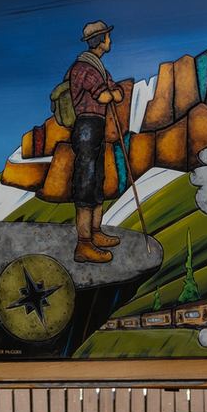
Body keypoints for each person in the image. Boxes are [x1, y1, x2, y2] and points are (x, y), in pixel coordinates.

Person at [65, 22, 122, 263]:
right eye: (107, 37)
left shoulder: (98, 67)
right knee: (86, 182)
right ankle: (84, 244)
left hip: (96, 125)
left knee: (97, 179)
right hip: (86, 126)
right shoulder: (84, 68)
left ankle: (95, 232)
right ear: (100, 40)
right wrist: (111, 94)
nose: (110, 40)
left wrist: (113, 93)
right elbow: (106, 95)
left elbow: (116, 92)